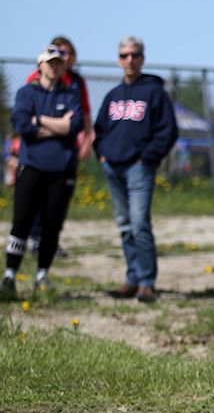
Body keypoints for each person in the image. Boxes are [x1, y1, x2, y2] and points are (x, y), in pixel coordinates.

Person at [93, 36, 179, 303]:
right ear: (119, 60)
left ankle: (146, 283)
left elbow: (168, 131)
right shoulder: (113, 95)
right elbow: (99, 130)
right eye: (124, 55)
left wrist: (147, 158)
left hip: (139, 168)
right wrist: (103, 156)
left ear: (142, 58)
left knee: (140, 223)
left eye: (134, 55)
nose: (129, 60)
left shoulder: (154, 93)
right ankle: (131, 278)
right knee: (125, 225)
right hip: (113, 167)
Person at [2, 45, 83, 300]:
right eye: (49, 62)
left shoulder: (71, 94)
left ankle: (41, 275)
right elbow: (23, 125)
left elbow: (75, 125)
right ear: (40, 65)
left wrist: (41, 120)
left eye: (58, 62)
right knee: (22, 222)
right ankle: (10, 276)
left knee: (52, 225)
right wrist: (58, 125)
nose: (54, 66)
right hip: (31, 166)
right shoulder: (27, 93)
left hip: (60, 170)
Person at [21, 36, 95, 257]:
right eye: (61, 53)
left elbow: (82, 115)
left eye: (69, 54)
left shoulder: (76, 83)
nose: (65, 58)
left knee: (58, 201)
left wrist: (87, 139)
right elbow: (27, 118)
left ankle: (51, 241)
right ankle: (34, 238)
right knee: (35, 198)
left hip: (65, 150)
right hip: (38, 150)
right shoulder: (35, 79)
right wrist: (59, 125)